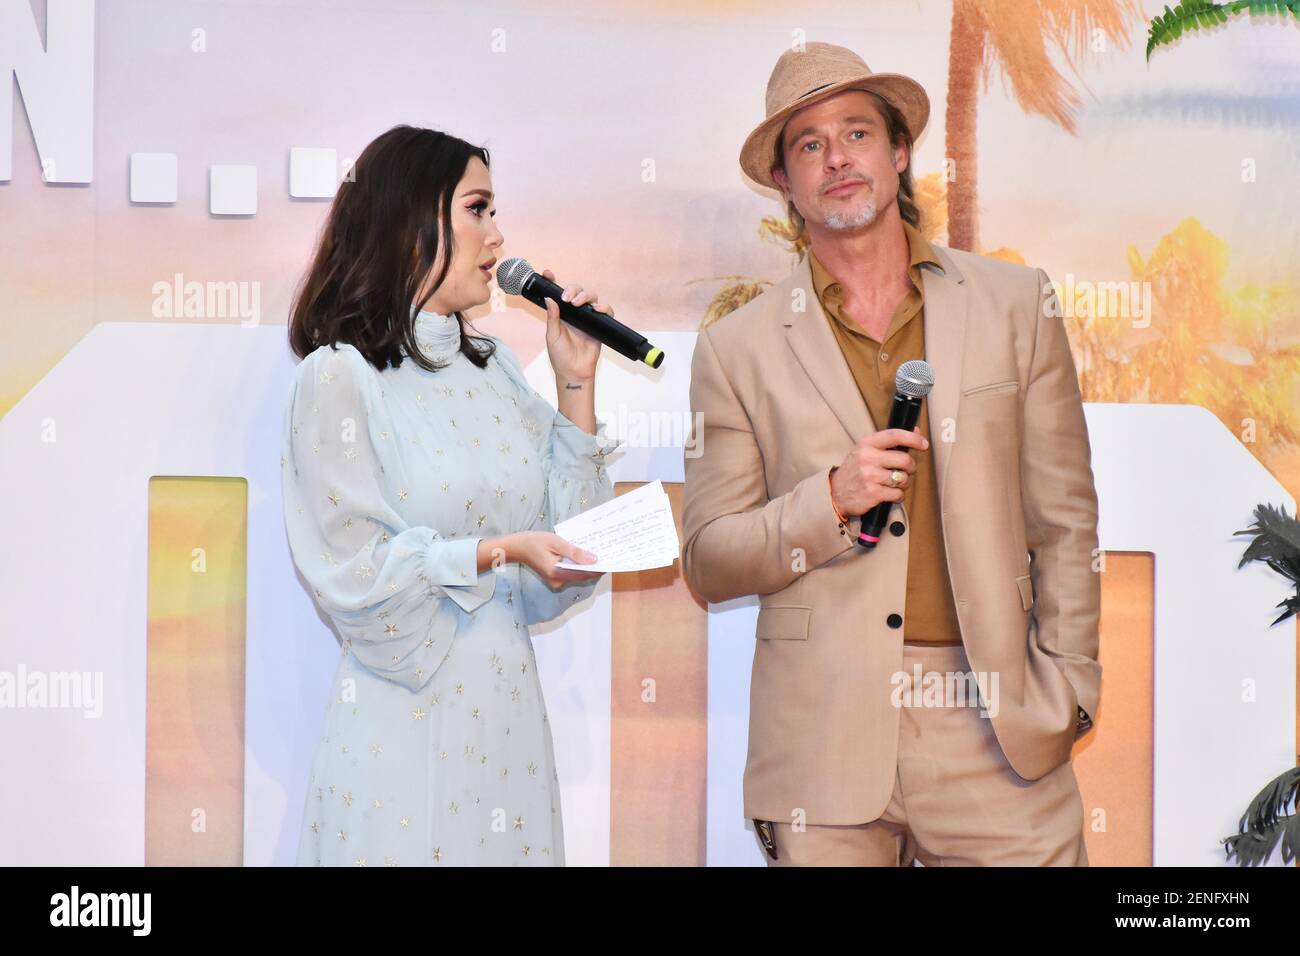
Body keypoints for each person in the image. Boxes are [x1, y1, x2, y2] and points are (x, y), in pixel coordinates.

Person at [681, 42, 1100, 866]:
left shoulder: (1017, 304)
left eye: (858, 133)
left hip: (999, 733)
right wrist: (827, 499)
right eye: (809, 144)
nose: (837, 158)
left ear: (899, 151)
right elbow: (708, 559)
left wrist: (1069, 688)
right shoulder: (735, 350)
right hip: (821, 744)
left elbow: (1066, 520)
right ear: (783, 181)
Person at [282, 124, 621, 866]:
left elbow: (566, 556)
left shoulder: (494, 366)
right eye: (478, 209)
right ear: (411, 218)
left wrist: (575, 382)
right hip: (402, 733)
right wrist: (496, 550)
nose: (499, 236)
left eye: (495, 211)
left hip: (507, 733)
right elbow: (357, 577)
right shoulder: (341, 375)